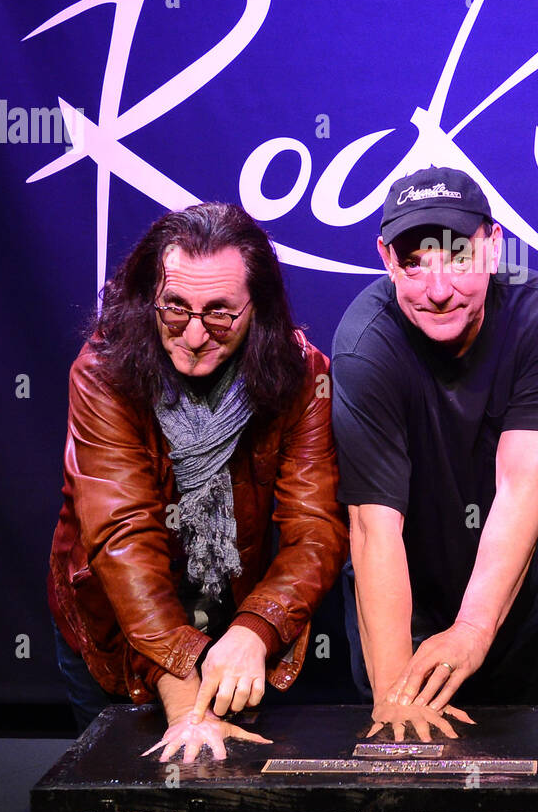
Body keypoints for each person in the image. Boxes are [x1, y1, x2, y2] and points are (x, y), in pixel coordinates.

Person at [48, 202, 348, 762]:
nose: (192, 335)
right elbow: (123, 537)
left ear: (257, 309)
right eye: (175, 308)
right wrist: (189, 706)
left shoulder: (305, 374)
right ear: (149, 300)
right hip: (118, 626)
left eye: (219, 314)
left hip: (236, 634)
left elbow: (316, 528)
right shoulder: (103, 371)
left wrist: (255, 630)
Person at [331, 166, 538, 741]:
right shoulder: (366, 344)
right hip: (397, 595)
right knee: (399, 763)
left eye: (458, 258)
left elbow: (527, 484)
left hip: (504, 597)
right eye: (415, 262)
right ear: (386, 259)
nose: (438, 289)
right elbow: (374, 529)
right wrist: (395, 692)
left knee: (507, 784)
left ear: (494, 247)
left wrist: (473, 627)